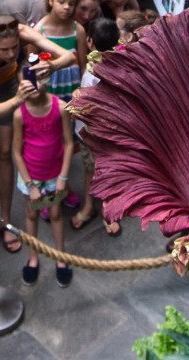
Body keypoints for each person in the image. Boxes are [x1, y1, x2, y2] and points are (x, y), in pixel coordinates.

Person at [0, 17, 72, 251]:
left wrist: (51, 66)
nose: (10, 54)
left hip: (8, 85)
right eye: (4, 49)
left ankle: (5, 219)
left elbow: (69, 56)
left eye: (15, 48)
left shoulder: (22, 32)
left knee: (6, 152)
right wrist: (19, 99)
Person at [12, 75, 74, 288]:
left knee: (56, 214)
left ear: (45, 79)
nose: (32, 85)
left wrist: (63, 178)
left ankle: (60, 256)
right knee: (31, 214)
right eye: (27, 81)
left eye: (36, 79)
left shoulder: (61, 107)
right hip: (31, 176)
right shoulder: (19, 115)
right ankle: (33, 257)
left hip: (55, 174)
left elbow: (68, 142)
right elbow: (17, 153)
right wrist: (30, 185)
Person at [73, 15, 122, 236]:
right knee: (96, 170)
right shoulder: (116, 63)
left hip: (95, 134)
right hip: (102, 133)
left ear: (90, 41)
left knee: (97, 171)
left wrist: (79, 100)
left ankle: (103, 208)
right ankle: (92, 206)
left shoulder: (99, 72)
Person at [32, 0, 87, 101]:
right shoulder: (38, 31)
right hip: (48, 91)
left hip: (73, 89)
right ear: (50, 0)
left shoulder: (78, 30)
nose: (66, 7)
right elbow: (31, 64)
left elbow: (83, 65)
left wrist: (84, 89)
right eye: (61, 2)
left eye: (71, 3)